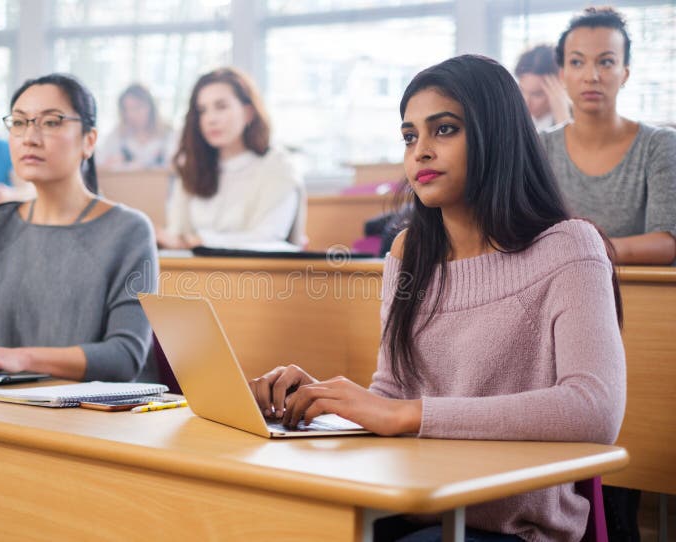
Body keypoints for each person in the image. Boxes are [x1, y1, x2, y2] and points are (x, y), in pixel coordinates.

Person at [248, 55, 625, 542]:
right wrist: (319, 399)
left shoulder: (570, 246)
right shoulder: (408, 252)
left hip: (510, 527)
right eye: (410, 137)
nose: (420, 152)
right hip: (411, 504)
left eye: (443, 130)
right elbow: (390, 397)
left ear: (497, 135)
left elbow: (593, 409)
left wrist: (412, 414)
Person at [0, 74, 158, 382]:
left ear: (89, 140)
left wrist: (22, 357)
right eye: (18, 123)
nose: (29, 137)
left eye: (51, 122)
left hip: (91, 420)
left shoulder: (129, 230)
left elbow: (124, 357)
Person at [539, 7, 676, 266]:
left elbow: (667, 243)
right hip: (559, 293)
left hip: (644, 295)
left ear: (625, 73)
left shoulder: (659, 144)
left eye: (606, 61)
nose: (591, 77)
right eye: (577, 62)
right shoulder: (540, 146)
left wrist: (579, 249)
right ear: (563, 75)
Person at [157, 67, 306, 249]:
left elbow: (270, 237)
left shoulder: (279, 167)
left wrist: (203, 242)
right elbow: (176, 234)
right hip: (194, 274)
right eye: (202, 110)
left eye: (221, 107)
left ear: (248, 113)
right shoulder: (193, 167)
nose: (210, 119)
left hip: (257, 275)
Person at [97, 83, 174, 170]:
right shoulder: (117, 134)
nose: (130, 114)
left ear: (150, 107)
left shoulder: (168, 134)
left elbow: (177, 165)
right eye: (126, 109)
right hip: (125, 183)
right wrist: (109, 163)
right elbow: (99, 163)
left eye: (137, 108)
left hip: (160, 183)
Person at [514, 44, 571, 131]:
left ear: (558, 88)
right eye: (521, 90)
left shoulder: (576, 119)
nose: (526, 102)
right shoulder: (512, 117)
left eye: (537, 94)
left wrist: (562, 120)